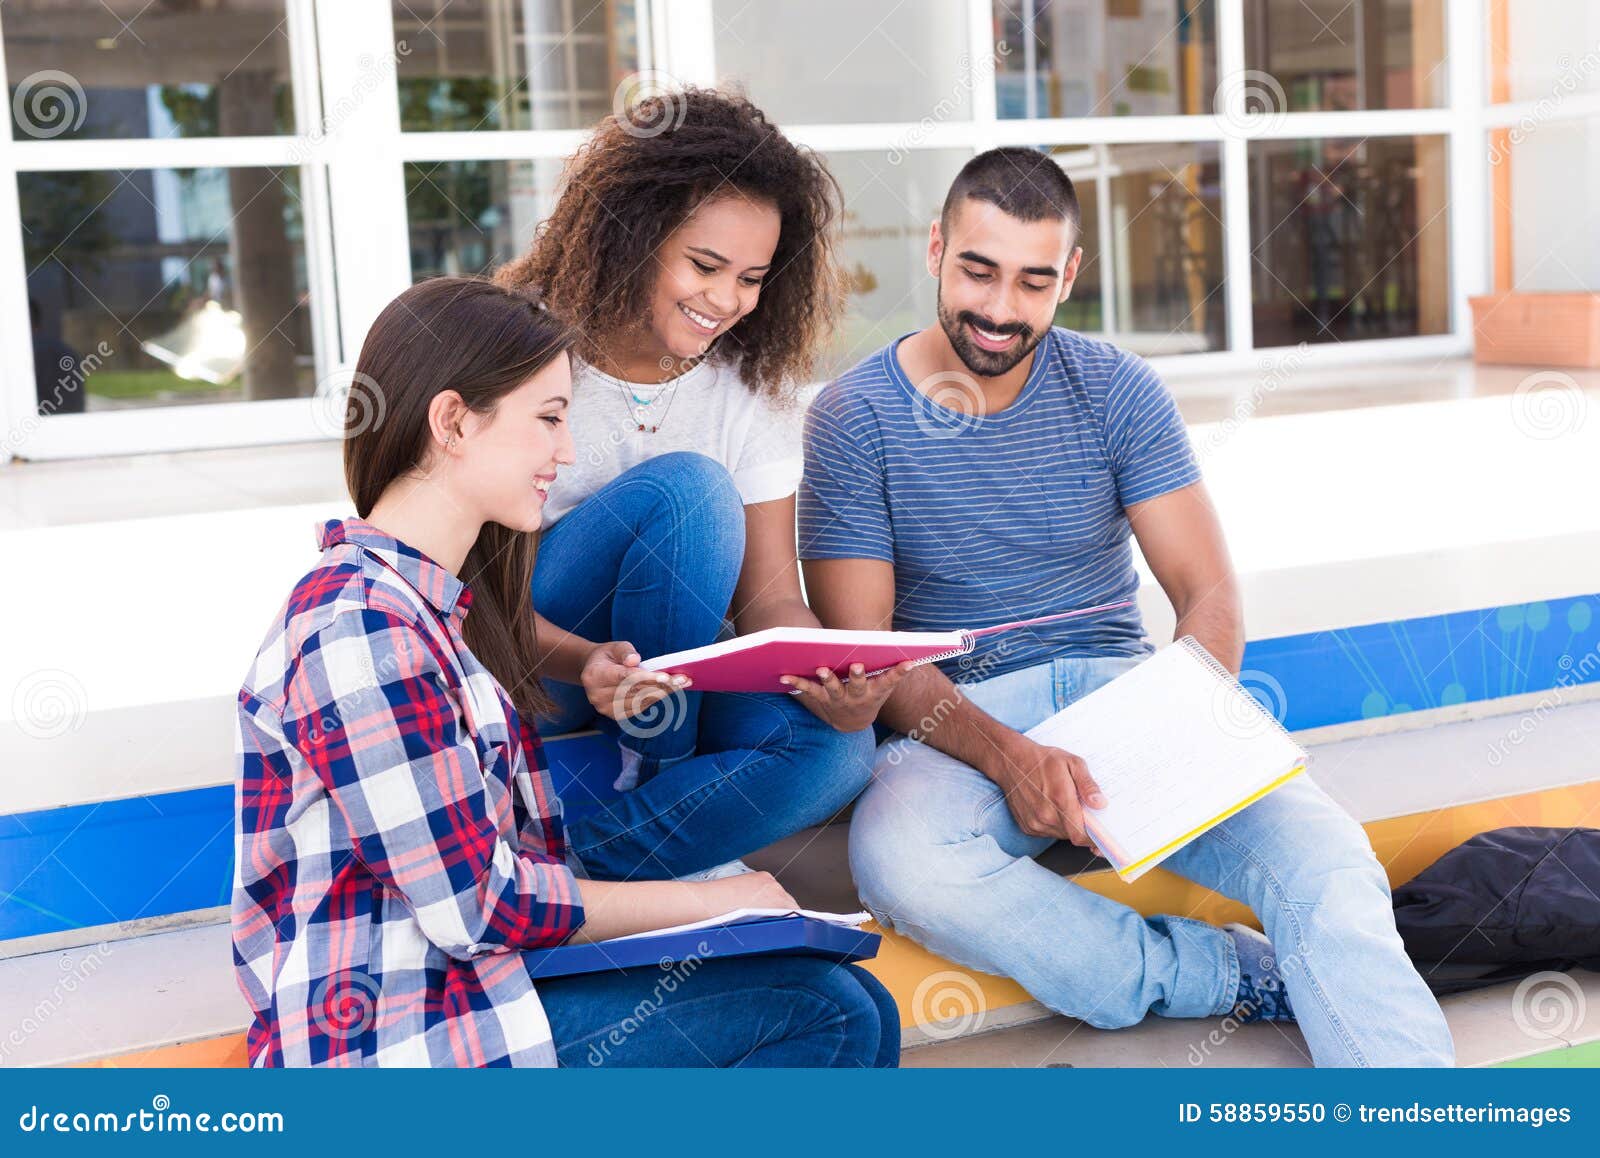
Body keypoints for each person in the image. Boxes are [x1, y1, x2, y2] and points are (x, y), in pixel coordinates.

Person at [797, 147, 1454, 1067]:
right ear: (938, 248)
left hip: (1126, 689)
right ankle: (1213, 979)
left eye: (1032, 281)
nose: (998, 309)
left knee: (1328, 852)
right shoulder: (853, 415)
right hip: (961, 716)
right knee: (904, 859)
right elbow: (873, 652)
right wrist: (1012, 758)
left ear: (1069, 275)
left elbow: (1207, 592)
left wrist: (1178, 724)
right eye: (978, 271)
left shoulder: (1116, 388)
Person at [232, 277, 899, 1068]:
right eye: (549, 418)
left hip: (481, 983)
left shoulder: (428, 612)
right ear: (452, 421)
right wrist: (717, 900)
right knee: (823, 1012)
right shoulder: (360, 633)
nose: (569, 450)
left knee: (859, 1003)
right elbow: (478, 907)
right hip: (401, 1036)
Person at [493, 88, 912, 883]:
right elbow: (463, 591)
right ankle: (659, 776)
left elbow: (768, 601)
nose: (726, 300)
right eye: (704, 265)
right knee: (690, 494)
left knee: (836, 754)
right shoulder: (520, 342)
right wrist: (586, 661)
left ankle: (589, 869)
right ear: (632, 238)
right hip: (534, 656)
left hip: (668, 668)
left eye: (752, 277)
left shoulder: (748, 383)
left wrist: (835, 675)